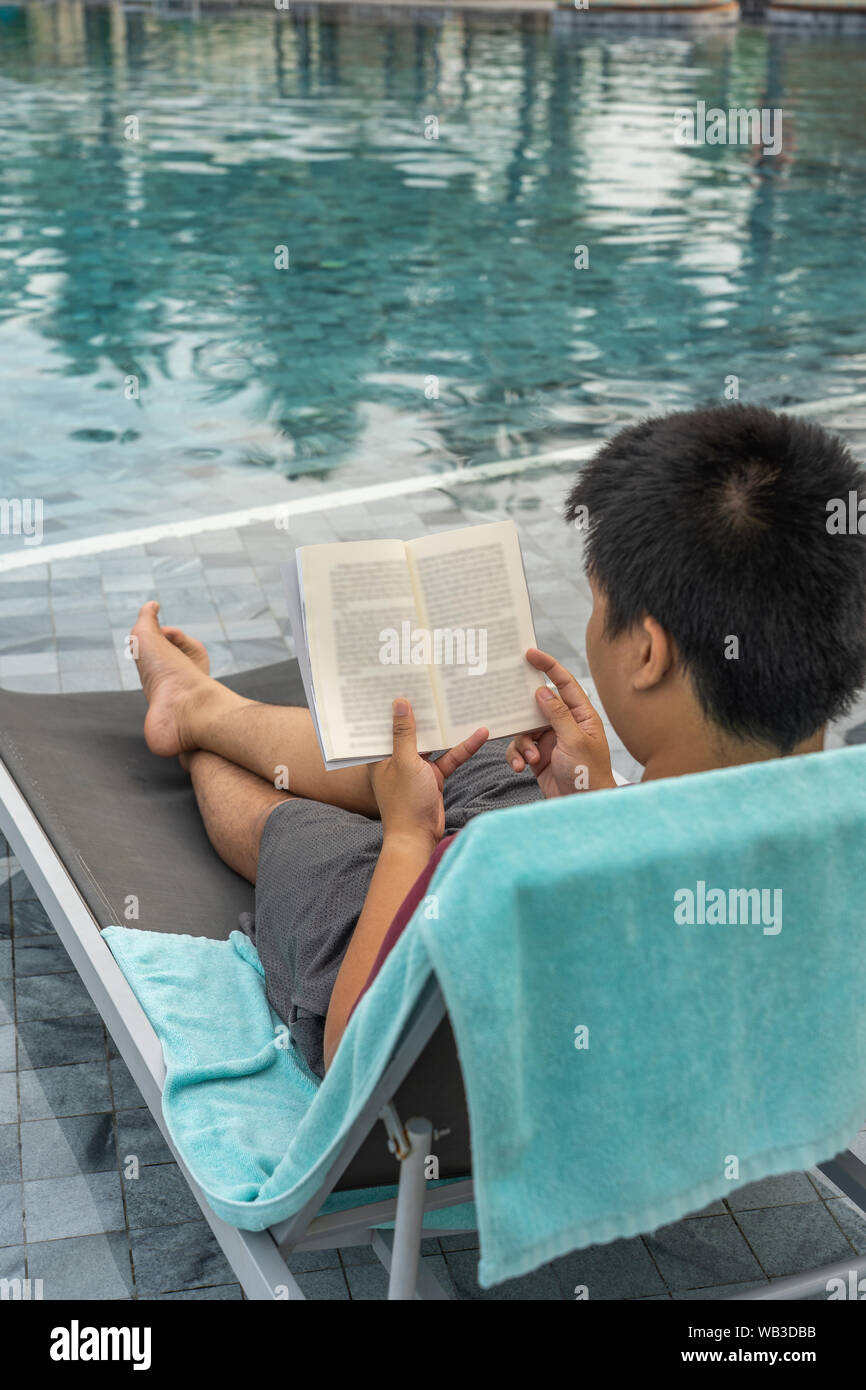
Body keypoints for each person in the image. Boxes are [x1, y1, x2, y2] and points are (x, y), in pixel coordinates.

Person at [131, 405, 866, 1075]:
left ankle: (192, 737)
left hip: (417, 952)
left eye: (597, 602)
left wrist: (407, 843)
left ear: (647, 654)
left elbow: (355, 1060)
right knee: (463, 756)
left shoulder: (511, 880)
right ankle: (198, 705)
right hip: (583, 876)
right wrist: (593, 796)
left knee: (302, 832)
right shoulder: (840, 832)